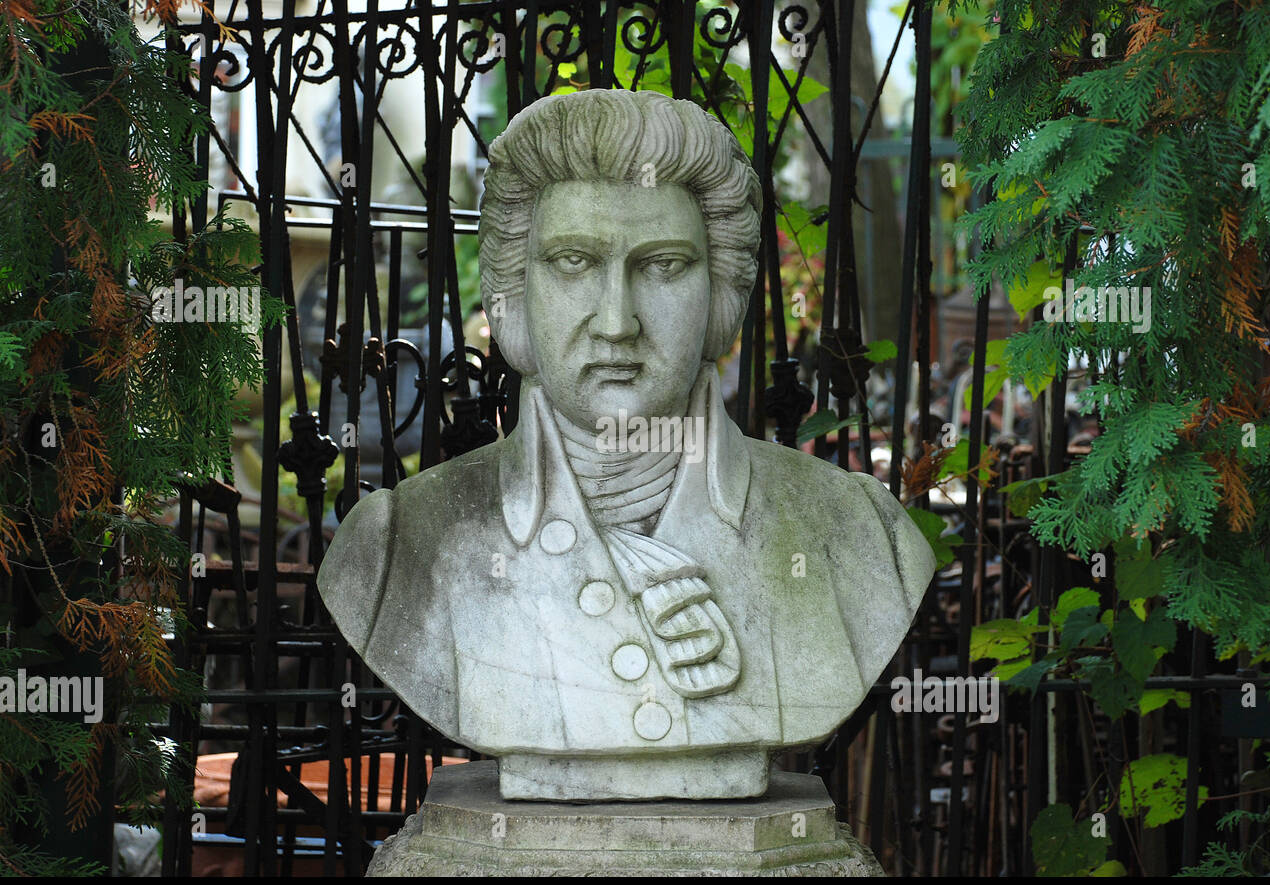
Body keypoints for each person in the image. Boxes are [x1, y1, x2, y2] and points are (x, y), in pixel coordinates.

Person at [316, 89, 934, 800]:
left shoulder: (859, 537)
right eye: (574, 261)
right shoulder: (394, 550)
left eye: (663, 265)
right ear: (513, 295)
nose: (617, 322)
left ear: (722, 295)